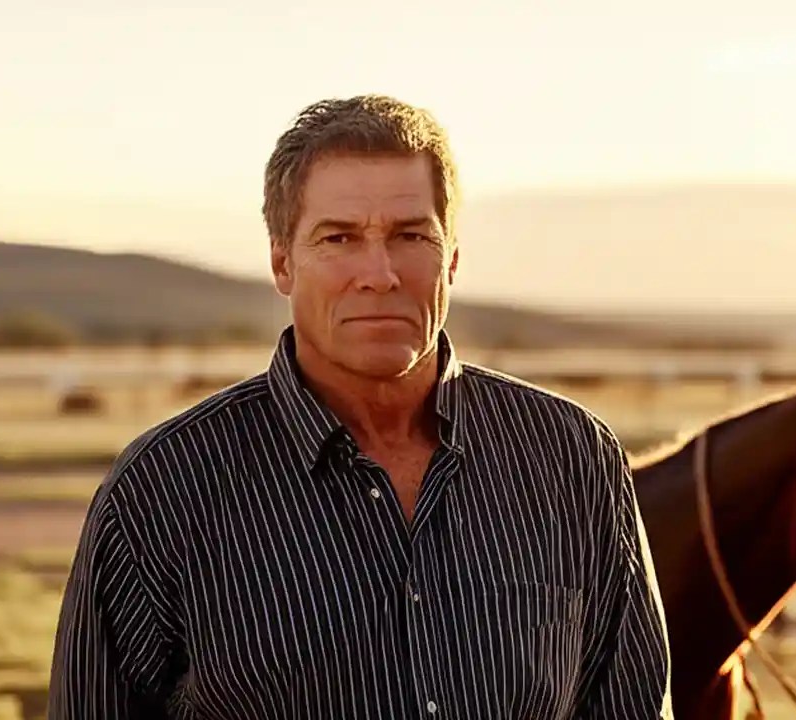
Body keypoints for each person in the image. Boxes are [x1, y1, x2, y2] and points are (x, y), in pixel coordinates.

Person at [47, 94, 673, 719]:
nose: (379, 273)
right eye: (339, 237)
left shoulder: (571, 458)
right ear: (281, 260)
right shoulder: (162, 490)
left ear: (451, 257)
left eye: (410, 236)